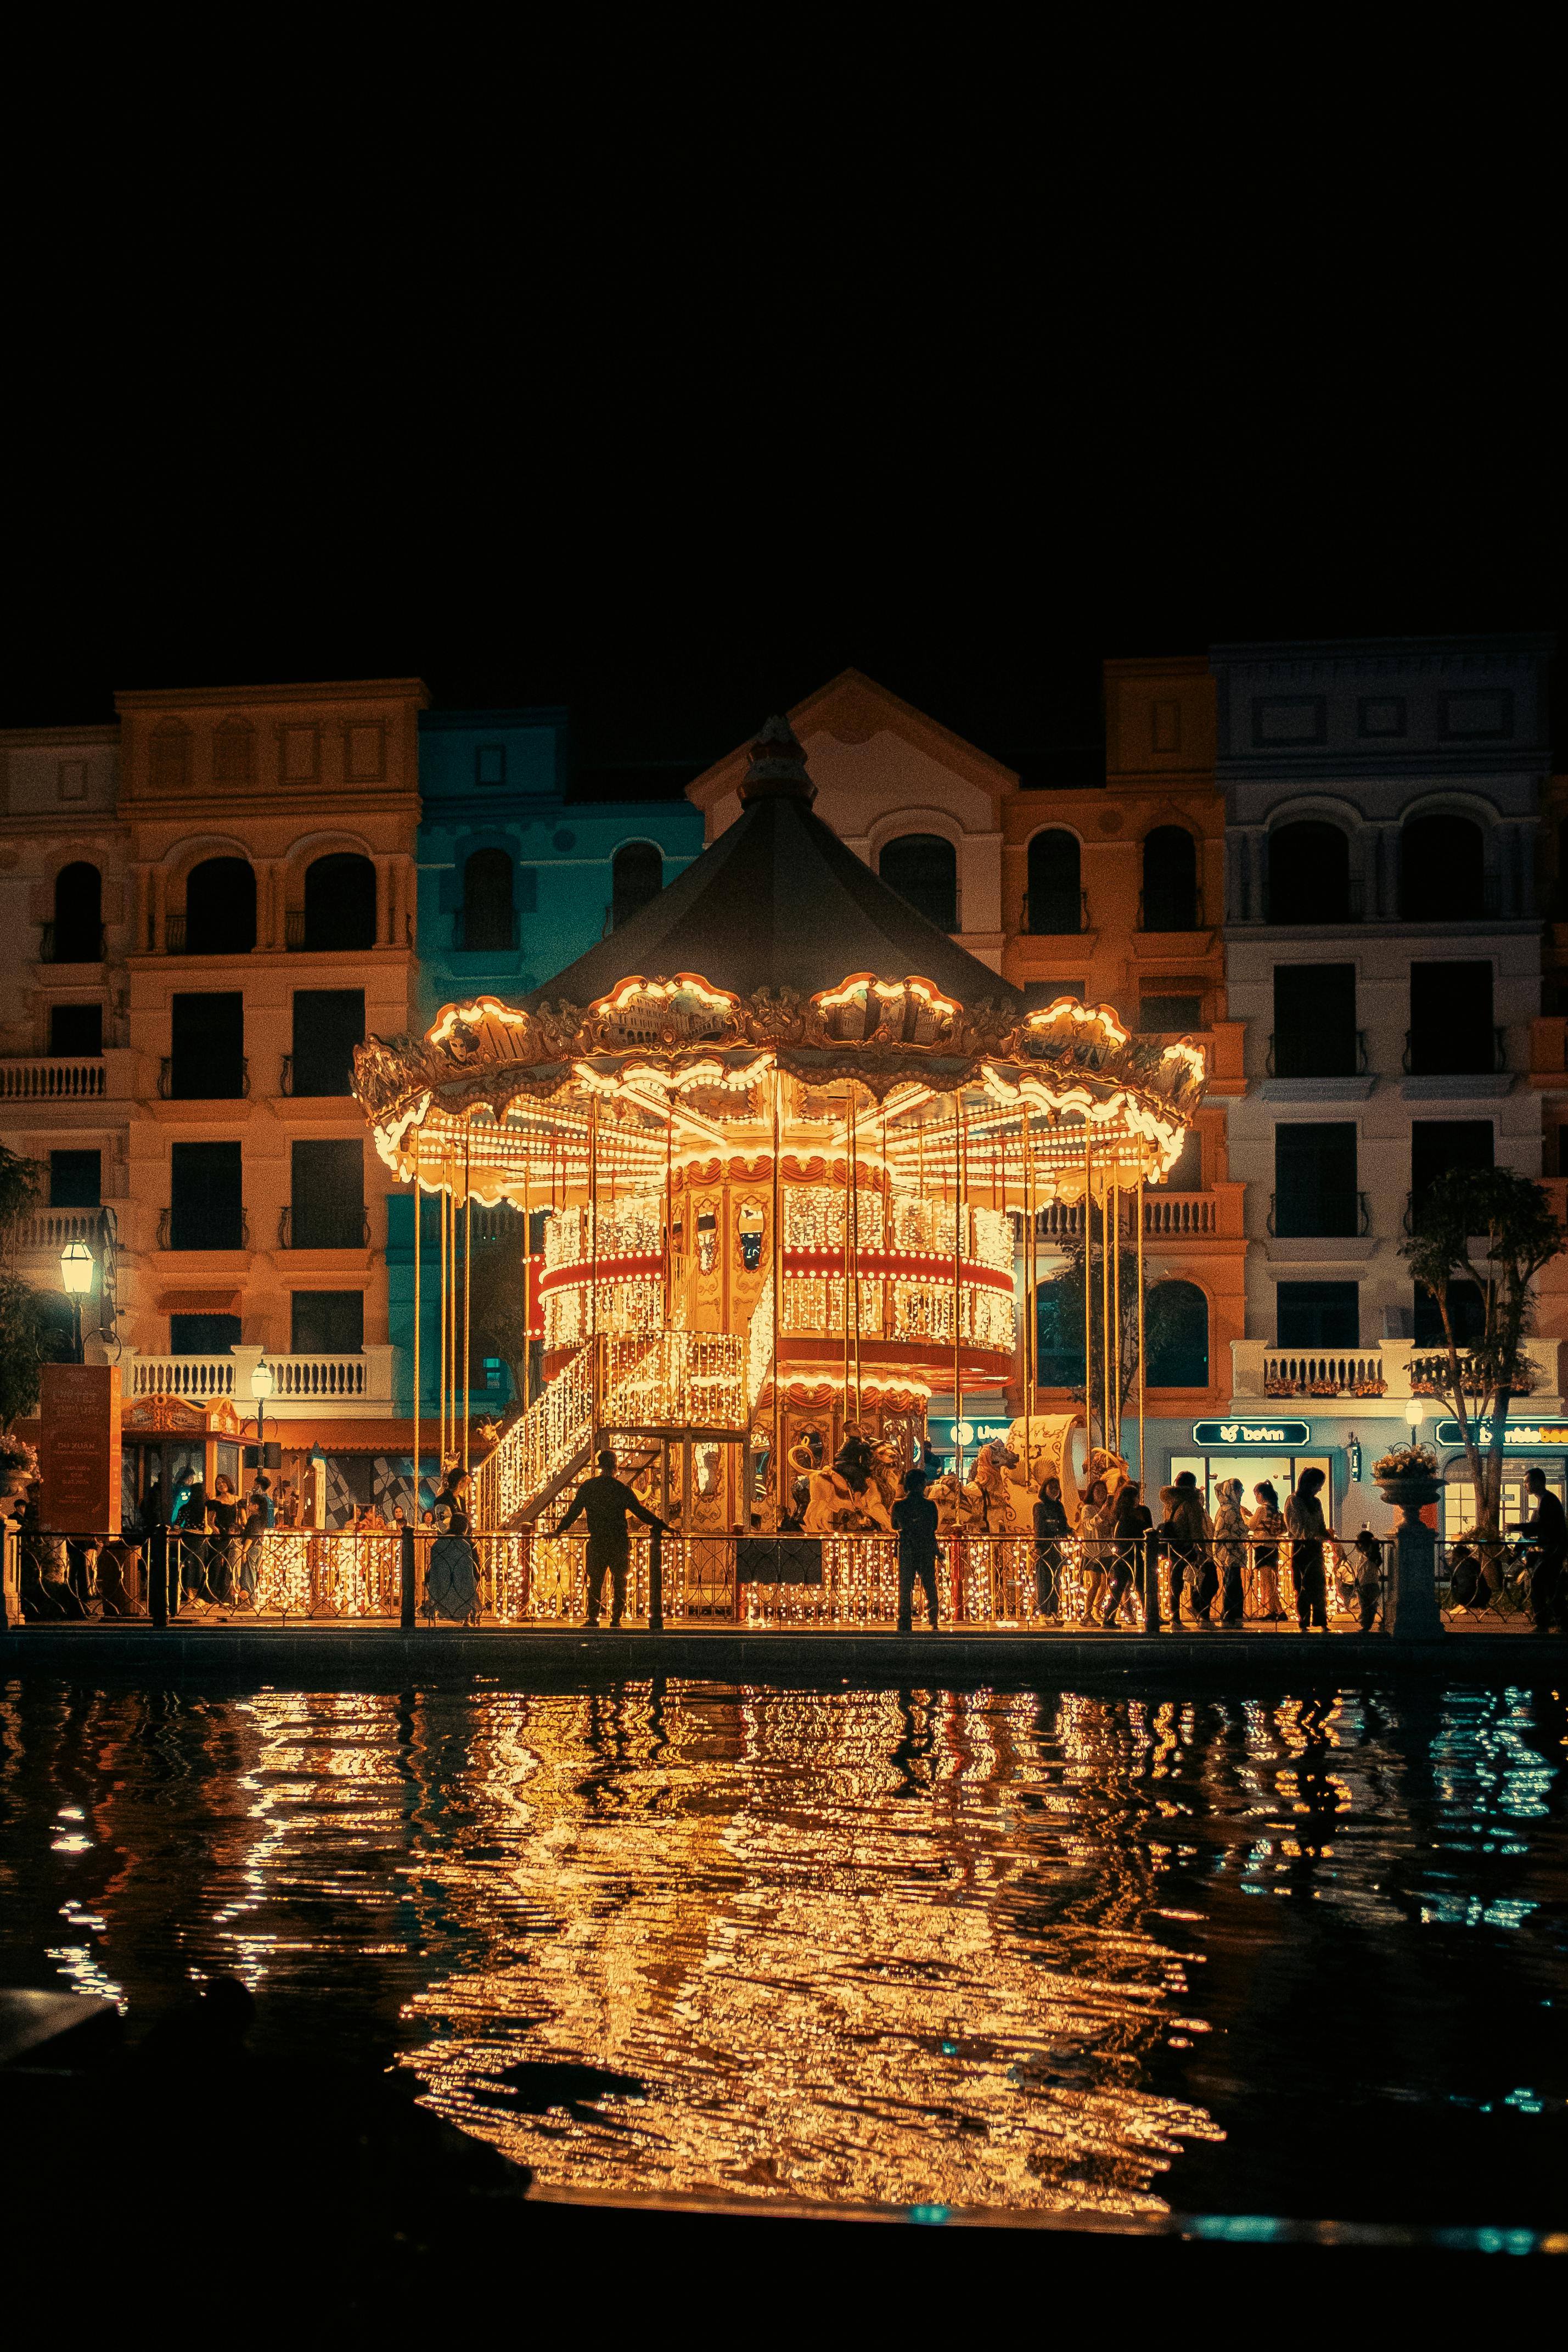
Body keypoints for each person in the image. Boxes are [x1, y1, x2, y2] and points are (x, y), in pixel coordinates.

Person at [554, 1448, 670, 1628]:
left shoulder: (588, 1487)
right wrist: (663, 1526)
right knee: (620, 1582)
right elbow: (641, 1512)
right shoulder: (621, 1489)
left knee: (595, 1582)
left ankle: (593, 1618)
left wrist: (559, 1531)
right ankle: (616, 1619)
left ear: (600, 1466)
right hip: (618, 1541)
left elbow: (573, 1512)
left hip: (598, 1540)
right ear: (615, 1466)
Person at [1513, 1466, 1567, 1634]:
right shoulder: (1547, 1500)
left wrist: (1518, 1527)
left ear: (1537, 1482)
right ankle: (1561, 1622)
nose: (1525, 1486)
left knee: (1538, 1582)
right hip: (1554, 1550)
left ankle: (1544, 1623)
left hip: (1554, 1551)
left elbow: (1543, 1527)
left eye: (1526, 1482)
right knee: (1550, 1587)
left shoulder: (1548, 1501)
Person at [424, 1470, 482, 1623]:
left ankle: (466, 1605)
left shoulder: (461, 1500)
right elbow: (444, 1525)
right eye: (464, 1481)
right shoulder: (442, 1500)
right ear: (459, 1482)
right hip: (449, 1543)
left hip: (462, 1540)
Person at [891, 1466, 941, 1632]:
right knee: (929, 1584)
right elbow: (934, 1527)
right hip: (926, 1547)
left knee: (905, 1586)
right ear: (921, 1485)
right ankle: (933, 1618)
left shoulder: (899, 1506)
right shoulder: (930, 1506)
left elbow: (894, 1526)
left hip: (906, 1547)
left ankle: (904, 1620)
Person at [1161, 1472, 1213, 1629]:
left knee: (1176, 1582)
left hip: (1175, 1547)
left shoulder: (1171, 1502)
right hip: (1189, 1547)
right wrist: (1202, 1549)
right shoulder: (1191, 1503)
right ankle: (1202, 1614)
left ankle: (1176, 1618)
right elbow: (1196, 1528)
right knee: (1208, 1578)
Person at [1286, 1466, 1333, 1631]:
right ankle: (1304, 1621)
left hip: (1316, 1547)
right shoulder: (1294, 1501)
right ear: (1310, 1484)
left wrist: (1326, 1534)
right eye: (1318, 1484)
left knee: (1319, 1586)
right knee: (1303, 1586)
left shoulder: (1316, 1502)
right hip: (1302, 1548)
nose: (1320, 1488)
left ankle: (1322, 1622)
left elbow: (1321, 1525)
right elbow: (1297, 1528)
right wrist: (1316, 1535)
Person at [1103, 1480, 1153, 1627]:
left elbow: (1147, 1530)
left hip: (1130, 1555)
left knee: (1135, 1587)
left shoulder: (1137, 1512)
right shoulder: (1124, 1515)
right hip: (1128, 1555)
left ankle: (1148, 1615)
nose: (1134, 1500)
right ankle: (1109, 1617)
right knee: (1130, 1587)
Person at [1212, 1477, 1249, 1628]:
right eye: (1239, 1490)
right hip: (1231, 1552)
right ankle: (1231, 1615)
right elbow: (1239, 1529)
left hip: (1229, 1551)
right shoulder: (1231, 1509)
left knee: (1231, 1582)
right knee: (1233, 1583)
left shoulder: (1225, 1508)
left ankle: (1230, 1615)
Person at [1246, 1481, 1286, 1620]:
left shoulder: (1262, 1509)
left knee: (1267, 1581)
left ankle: (1279, 1611)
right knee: (1272, 1581)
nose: (1256, 1497)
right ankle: (1273, 1610)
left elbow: (1251, 1525)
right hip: (1273, 1547)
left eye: (1257, 1494)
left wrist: (1244, 1516)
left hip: (1262, 1546)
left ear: (1261, 1494)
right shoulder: (1275, 1510)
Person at [1033, 1474, 1070, 1620]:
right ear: (1045, 1489)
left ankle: (1054, 1610)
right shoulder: (1040, 1507)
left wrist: (1068, 1531)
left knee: (1056, 1580)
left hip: (1057, 1547)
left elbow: (1063, 1525)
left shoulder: (1059, 1506)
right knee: (1044, 1580)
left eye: (1057, 1487)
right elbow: (1039, 1527)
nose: (1055, 1490)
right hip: (1045, 1547)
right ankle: (1044, 1611)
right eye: (1052, 1487)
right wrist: (1038, 1546)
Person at [1078, 1477, 1112, 1623]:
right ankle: (1087, 1612)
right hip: (1093, 1550)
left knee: (1106, 1583)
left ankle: (1096, 1609)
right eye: (1097, 1491)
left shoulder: (1106, 1509)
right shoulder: (1088, 1509)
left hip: (1106, 1549)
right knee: (1096, 1582)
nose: (1101, 1493)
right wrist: (1102, 1513)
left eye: (1103, 1491)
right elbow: (1089, 1525)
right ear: (1092, 1493)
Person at [240, 1475, 273, 1602]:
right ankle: (252, 1600)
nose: (249, 1505)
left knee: (248, 1572)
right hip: (259, 1547)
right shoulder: (262, 1518)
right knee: (253, 1571)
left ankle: (248, 1600)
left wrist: (244, 1550)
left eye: (252, 1504)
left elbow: (251, 1535)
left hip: (252, 1547)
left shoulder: (254, 1518)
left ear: (256, 1506)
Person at [208, 1475, 240, 1604]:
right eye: (218, 1483)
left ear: (228, 1483)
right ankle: (213, 1595)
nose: (221, 1485)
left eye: (222, 1482)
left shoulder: (237, 1500)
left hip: (233, 1535)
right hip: (220, 1536)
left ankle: (227, 1595)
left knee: (230, 1566)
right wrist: (215, 1529)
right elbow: (211, 1521)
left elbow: (241, 1519)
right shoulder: (215, 1501)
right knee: (216, 1564)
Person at [1350, 1527, 1383, 1632]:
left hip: (1370, 1583)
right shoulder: (1363, 1555)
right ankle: (1365, 1624)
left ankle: (1366, 1625)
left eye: (1360, 1542)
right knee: (1364, 1605)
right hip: (1363, 1583)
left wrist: (1375, 1544)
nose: (1358, 1545)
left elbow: (1374, 1559)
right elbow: (1359, 1568)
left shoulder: (1370, 1554)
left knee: (1368, 1606)